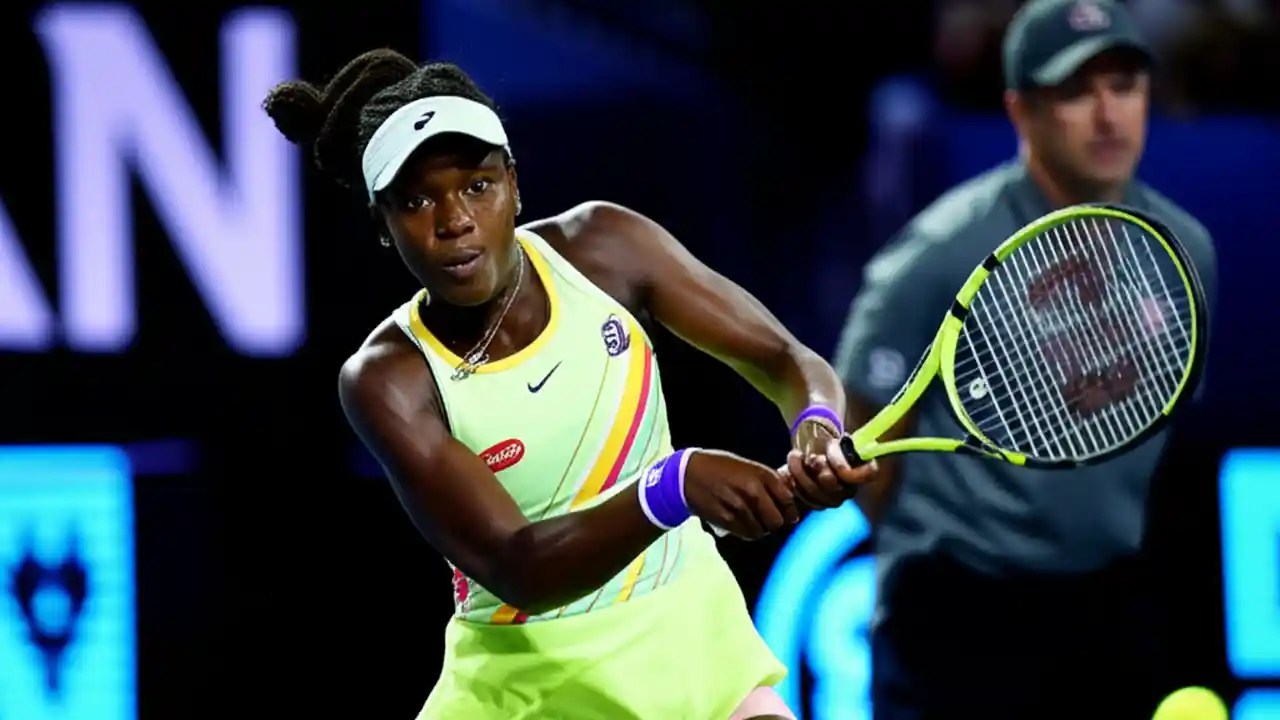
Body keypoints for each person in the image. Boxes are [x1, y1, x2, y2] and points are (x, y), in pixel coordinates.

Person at [262, 49, 875, 720]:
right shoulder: (389, 379)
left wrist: (816, 427)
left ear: (515, 186)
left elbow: (784, 359)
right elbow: (520, 566)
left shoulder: (606, 247)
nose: (454, 220)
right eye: (415, 201)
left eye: (476, 185)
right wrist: (673, 486)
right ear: (383, 227)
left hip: (691, 647)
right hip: (527, 690)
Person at [833, 1, 1219, 719]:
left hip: (1106, 602)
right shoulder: (940, 250)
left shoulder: (1185, 251)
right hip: (955, 612)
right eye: (1076, 91)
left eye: (1125, 85)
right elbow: (855, 410)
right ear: (1021, 111)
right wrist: (933, 544)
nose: (1108, 115)